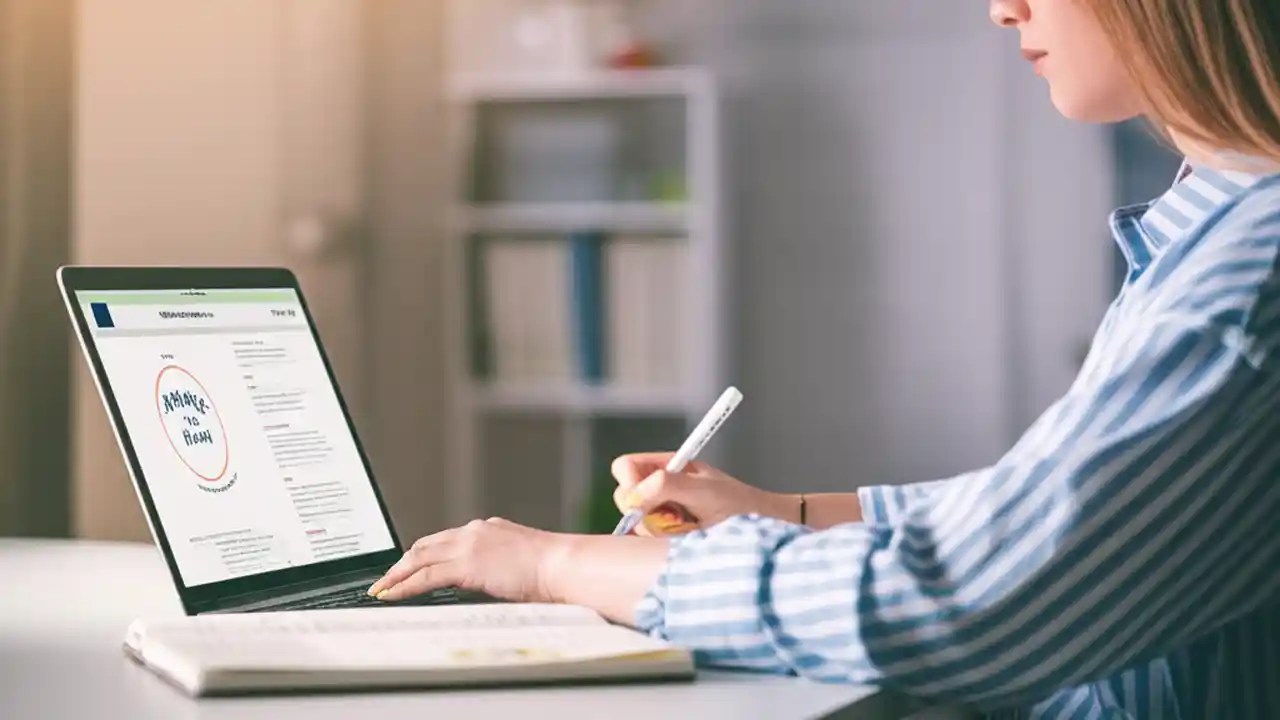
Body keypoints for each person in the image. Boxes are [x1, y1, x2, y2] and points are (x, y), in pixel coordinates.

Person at [369, 1, 1280, 716]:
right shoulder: (1209, 234)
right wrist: (781, 514)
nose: (1002, 9)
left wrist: (553, 568)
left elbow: (963, 601)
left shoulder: (1242, 289)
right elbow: (1042, 513)